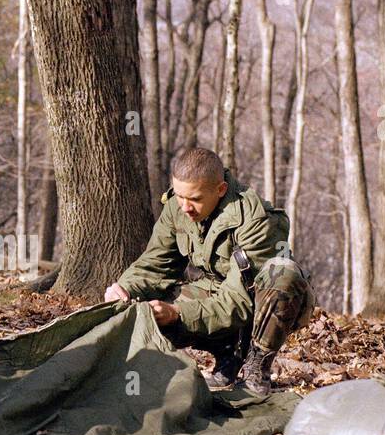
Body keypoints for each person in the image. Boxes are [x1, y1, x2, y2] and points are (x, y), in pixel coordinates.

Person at [104, 146, 312, 394]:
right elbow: (156, 263)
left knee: (283, 273)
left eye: (195, 199)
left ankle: (256, 366)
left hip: (260, 300)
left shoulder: (256, 219)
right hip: (216, 289)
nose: (185, 207)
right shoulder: (177, 206)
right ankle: (228, 355)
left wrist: (177, 312)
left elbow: (239, 302)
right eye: (180, 196)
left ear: (221, 189)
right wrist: (125, 288)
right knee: (144, 307)